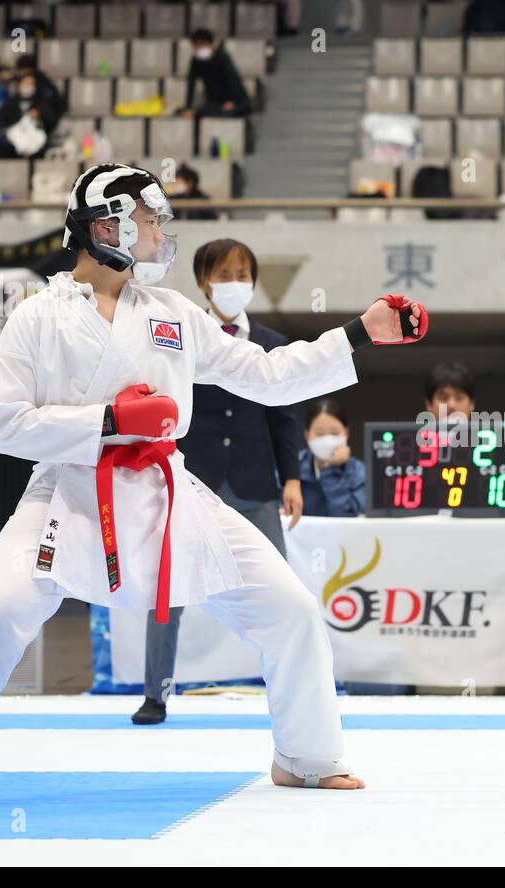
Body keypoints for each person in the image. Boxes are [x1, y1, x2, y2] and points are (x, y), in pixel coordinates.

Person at [0, 163, 428, 804]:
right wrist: (109, 421)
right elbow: (8, 429)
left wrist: (358, 332)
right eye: (148, 219)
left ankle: (305, 756)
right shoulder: (38, 317)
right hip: (67, 490)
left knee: (288, 607)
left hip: (166, 489)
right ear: (105, 225)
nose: (158, 231)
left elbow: (266, 373)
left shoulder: (173, 313)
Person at [131, 237, 308, 725]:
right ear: (204, 281)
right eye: (224, 274)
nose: (234, 283)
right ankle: (155, 693)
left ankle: (291, 697)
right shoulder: (177, 337)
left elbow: (284, 417)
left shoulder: (272, 343)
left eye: (242, 274)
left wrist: (291, 478)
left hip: (256, 485)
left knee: (281, 595)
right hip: (191, 482)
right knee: (167, 593)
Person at [298, 397, 366, 517]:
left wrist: (330, 470)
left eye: (334, 433)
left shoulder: (359, 472)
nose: (327, 440)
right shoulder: (293, 467)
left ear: (346, 433)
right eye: (319, 434)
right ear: (307, 435)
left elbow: (349, 518)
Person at [0, 55, 64, 159]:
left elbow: (52, 120)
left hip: (36, 148)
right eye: (25, 83)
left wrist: (40, 113)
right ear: (19, 85)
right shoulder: (9, 105)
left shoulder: (41, 104)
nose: (28, 87)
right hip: (11, 149)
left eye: (31, 84)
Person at [182, 29, 252, 119]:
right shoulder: (196, 61)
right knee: (199, 114)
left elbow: (233, 80)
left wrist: (232, 101)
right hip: (214, 103)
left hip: (236, 102)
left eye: (202, 44)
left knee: (227, 114)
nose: (199, 48)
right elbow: (191, 83)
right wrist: (188, 107)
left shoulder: (222, 57)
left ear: (210, 44)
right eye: (196, 45)